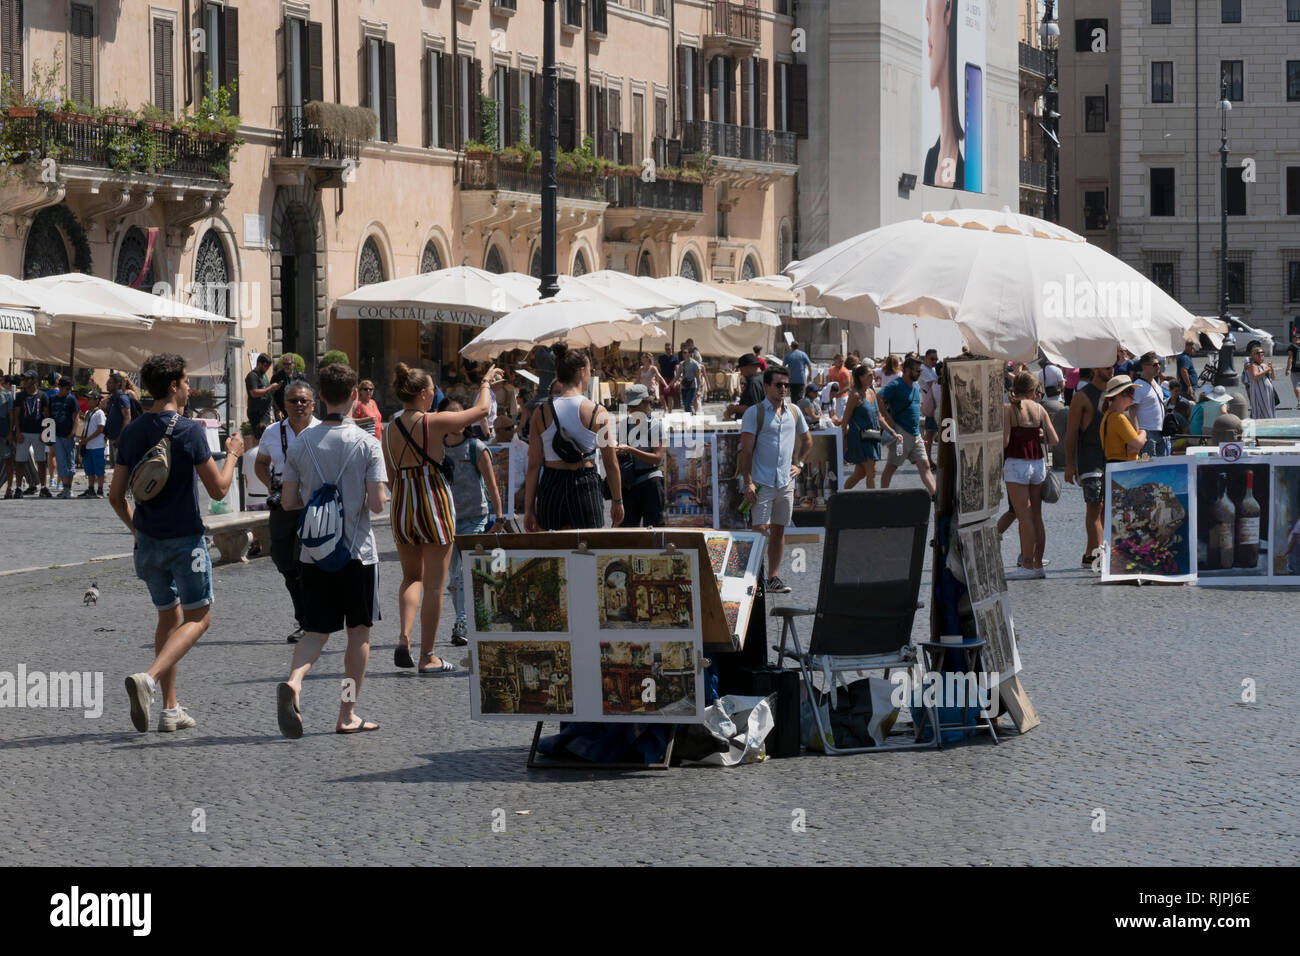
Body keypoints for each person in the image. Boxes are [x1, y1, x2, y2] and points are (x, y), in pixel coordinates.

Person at [113, 353, 244, 733]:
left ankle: (170, 710)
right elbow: (219, 488)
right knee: (199, 619)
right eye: (187, 381)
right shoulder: (188, 430)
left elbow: (116, 495)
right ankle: (150, 680)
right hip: (185, 541)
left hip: (148, 543)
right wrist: (233, 454)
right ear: (173, 386)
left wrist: (136, 529)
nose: (190, 387)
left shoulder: (133, 431)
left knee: (167, 619)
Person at [275, 362, 389, 737]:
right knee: (358, 636)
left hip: (314, 555)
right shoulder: (368, 443)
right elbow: (376, 505)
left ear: (320, 396)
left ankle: (295, 681)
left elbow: (289, 502)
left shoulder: (301, 443)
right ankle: (346, 711)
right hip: (356, 553)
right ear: (355, 395)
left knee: (314, 632)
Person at [385, 362, 502, 673]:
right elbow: (479, 412)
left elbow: (391, 477)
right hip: (432, 498)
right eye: (433, 389)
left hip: (402, 503)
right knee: (435, 586)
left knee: (411, 577)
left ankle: (403, 638)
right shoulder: (432, 422)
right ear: (423, 394)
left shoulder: (388, 429)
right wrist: (486, 383)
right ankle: (427, 656)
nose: (435, 393)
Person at [523, 345, 624, 533]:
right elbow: (611, 463)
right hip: (584, 484)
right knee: (588, 551)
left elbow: (533, 465)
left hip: (552, 484)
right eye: (590, 370)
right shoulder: (597, 411)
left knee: (553, 555)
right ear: (581, 372)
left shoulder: (540, 412)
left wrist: (529, 509)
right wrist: (617, 501)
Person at [255, 379, 319, 643]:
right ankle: (306, 615)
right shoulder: (272, 432)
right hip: (283, 503)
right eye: (294, 401)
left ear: (313, 404)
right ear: (284, 404)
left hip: (314, 504)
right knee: (283, 560)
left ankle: (308, 620)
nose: (299, 405)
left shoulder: (324, 430)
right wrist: (271, 485)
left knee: (307, 562)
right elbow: (261, 463)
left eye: (304, 400)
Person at [738, 365, 811, 594]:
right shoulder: (755, 413)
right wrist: (748, 481)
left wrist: (799, 464)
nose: (783, 389)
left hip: (785, 482)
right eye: (778, 384)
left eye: (786, 385)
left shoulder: (794, 411)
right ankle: (755, 578)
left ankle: (773, 577)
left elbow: (808, 440)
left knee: (779, 530)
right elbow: (746, 452)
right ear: (767, 385)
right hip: (762, 482)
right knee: (759, 530)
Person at [441, 396, 506, 646]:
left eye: (460, 415)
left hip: (474, 520)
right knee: (453, 579)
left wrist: (499, 516)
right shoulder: (436, 447)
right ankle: (470, 618)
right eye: (450, 415)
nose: (456, 421)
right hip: (446, 520)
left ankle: (462, 622)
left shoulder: (476, 447)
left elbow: (492, 484)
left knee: (462, 574)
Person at [1003, 371, 1059, 580]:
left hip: (1017, 463)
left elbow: (1005, 442)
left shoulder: (1009, 409)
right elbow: (1054, 440)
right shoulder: (1039, 408)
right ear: (1032, 390)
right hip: (1037, 464)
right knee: (1036, 516)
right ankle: (1037, 564)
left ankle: (1026, 565)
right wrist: (1038, 434)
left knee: (1023, 518)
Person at [1063, 365, 1111, 565]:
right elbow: (1072, 432)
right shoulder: (1082, 396)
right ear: (1096, 368)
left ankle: (1090, 553)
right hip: (1090, 458)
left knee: (1107, 508)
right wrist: (1069, 464)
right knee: (1095, 505)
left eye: (1113, 366)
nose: (1112, 371)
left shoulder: (1115, 393)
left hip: (1111, 458)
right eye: (1107, 367)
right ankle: (1099, 556)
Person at [878, 356, 937, 497]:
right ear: (908, 370)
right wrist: (888, 418)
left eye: (920, 370)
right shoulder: (896, 385)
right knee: (892, 466)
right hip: (901, 435)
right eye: (917, 371)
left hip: (916, 434)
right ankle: (882, 495)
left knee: (925, 465)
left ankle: (935, 495)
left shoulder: (916, 386)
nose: (920, 373)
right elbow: (878, 398)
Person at [616, 384, 667, 527]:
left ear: (646, 403)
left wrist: (631, 450)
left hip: (650, 481)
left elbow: (657, 458)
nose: (630, 410)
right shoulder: (624, 425)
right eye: (629, 406)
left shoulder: (656, 425)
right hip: (629, 483)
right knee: (626, 530)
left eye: (634, 405)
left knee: (654, 530)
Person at [842, 363, 894, 490]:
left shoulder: (871, 392)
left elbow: (879, 417)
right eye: (870, 375)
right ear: (860, 378)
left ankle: (841, 494)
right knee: (872, 471)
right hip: (859, 438)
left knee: (860, 473)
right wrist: (842, 444)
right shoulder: (855, 395)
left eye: (873, 375)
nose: (873, 378)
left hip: (872, 436)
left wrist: (892, 432)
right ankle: (873, 503)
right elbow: (845, 420)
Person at [13, 372, 51, 499]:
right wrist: (17, 432)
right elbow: (16, 415)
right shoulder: (20, 396)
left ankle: (43, 487)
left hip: (38, 433)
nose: (24, 381)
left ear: (34, 380)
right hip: (23, 432)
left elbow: (47, 415)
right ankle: (18, 487)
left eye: (27, 379)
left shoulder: (43, 396)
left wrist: (45, 433)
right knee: (20, 461)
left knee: (41, 461)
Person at [1100, 375, 1146, 463]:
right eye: (1130, 391)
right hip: (1123, 469)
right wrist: (1143, 432)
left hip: (1116, 468)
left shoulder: (1109, 415)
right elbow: (1137, 444)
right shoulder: (1118, 418)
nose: (1134, 394)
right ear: (1118, 395)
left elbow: (1133, 446)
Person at [49, 377, 81, 499]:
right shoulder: (52, 399)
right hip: (57, 434)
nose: (68, 391)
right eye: (66, 388)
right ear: (60, 388)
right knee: (61, 461)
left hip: (68, 435)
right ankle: (65, 487)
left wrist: (73, 432)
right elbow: (49, 418)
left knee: (70, 461)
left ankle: (69, 487)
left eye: (70, 389)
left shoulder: (72, 399)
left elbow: (76, 417)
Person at [1132, 352, 1166, 457]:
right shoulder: (1138, 386)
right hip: (1146, 432)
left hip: (1159, 432)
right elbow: (1132, 411)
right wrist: (1138, 434)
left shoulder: (1156, 384)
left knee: (1161, 466)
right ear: (1144, 367)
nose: (1158, 366)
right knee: (1149, 467)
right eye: (1154, 364)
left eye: (1159, 363)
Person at [77, 391, 107, 497]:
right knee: (89, 468)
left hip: (97, 446)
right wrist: (82, 439)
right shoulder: (88, 413)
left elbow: (100, 429)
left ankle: (100, 489)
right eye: (87, 399)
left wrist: (87, 439)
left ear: (97, 400)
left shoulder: (100, 413)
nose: (87, 401)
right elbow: (86, 428)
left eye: (90, 399)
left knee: (99, 468)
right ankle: (90, 488)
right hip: (88, 446)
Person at [724, 353, 765, 419]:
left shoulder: (754, 382)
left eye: (742, 370)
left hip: (751, 423)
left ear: (748, 367)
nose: (741, 373)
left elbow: (753, 409)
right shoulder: (761, 377)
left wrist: (734, 409)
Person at [245, 353, 279, 428]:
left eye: (268, 367)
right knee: (259, 436)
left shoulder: (263, 375)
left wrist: (273, 389)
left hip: (265, 412)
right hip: (257, 413)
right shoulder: (252, 376)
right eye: (266, 366)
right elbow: (254, 393)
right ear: (259, 363)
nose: (267, 369)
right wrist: (270, 388)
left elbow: (266, 391)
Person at [242, 422, 270, 511]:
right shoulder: (272, 452)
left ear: (254, 437)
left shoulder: (247, 454)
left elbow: (246, 480)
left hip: (252, 500)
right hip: (270, 500)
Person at [1244, 345, 1277, 420]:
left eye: (1262, 354)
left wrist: (1271, 369)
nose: (1261, 356)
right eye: (1258, 354)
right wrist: (1267, 370)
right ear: (1254, 355)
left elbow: (1273, 378)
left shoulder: (1264, 365)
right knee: (1260, 409)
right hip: (1259, 391)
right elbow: (1255, 377)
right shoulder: (1253, 365)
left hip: (1267, 391)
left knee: (1268, 408)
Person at [675, 347, 703, 415]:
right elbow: (677, 376)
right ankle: (690, 419)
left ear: (689, 354)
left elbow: (699, 378)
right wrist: (669, 385)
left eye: (685, 352)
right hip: (684, 386)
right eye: (682, 353)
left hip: (692, 386)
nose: (683, 354)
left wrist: (699, 390)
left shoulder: (695, 363)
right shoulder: (682, 364)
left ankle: (693, 416)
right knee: (685, 406)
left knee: (688, 404)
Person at [0, 375, 15, 498]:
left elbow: (11, 415)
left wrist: (10, 432)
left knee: (8, 461)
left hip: (4, 432)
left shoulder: (7, 395)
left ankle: (9, 488)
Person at [268, 354, 296, 420]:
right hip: (282, 412)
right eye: (284, 364)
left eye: (288, 364)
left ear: (293, 364)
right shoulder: (277, 377)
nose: (286, 366)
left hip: (295, 410)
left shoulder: (299, 376)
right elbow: (271, 394)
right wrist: (277, 410)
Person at [1287, 329, 1300, 409]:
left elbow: (1290, 358)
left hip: (1295, 369)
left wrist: (1287, 369)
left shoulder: (1292, 347)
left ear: (1293, 339)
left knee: (1296, 386)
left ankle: (1299, 401)